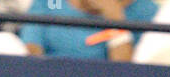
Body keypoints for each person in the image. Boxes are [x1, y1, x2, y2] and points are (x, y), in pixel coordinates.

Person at [20, 0, 158, 62]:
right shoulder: (52, 2)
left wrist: (115, 17)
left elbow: (127, 76)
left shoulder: (147, 11)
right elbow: (31, 50)